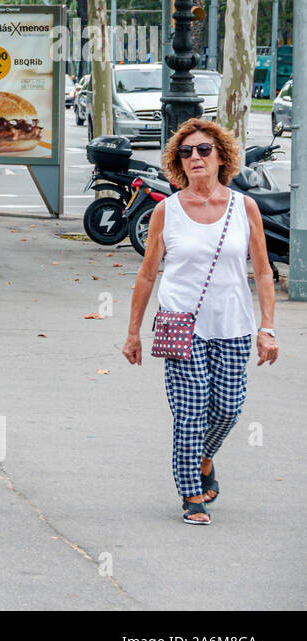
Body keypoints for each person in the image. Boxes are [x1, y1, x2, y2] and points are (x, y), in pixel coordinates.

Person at [123, 118, 279, 525]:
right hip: (180, 325)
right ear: (178, 162)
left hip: (234, 325)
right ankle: (191, 491)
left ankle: (205, 458)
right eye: (186, 152)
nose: (194, 157)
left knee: (227, 409)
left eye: (203, 150)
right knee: (190, 412)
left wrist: (267, 327)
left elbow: (263, 271)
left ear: (221, 156)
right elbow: (147, 274)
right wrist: (132, 332)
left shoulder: (244, 208)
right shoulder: (166, 211)